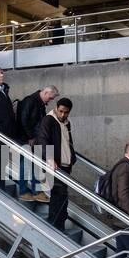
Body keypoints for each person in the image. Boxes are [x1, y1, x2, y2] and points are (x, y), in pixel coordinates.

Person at [33, 98, 76, 229]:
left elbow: (68, 142)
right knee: (59, 194)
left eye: (66, 112)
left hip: (65, 165)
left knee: (61, 195)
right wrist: (50, 159)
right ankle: (56, 226)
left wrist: (72, 158)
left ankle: (59, 223)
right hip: (54, 165)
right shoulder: (49, 120)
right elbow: (42, 139)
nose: (63, 114)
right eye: (61, 111)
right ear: (56, 108)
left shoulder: (66, 123)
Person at [15, 85, 59, 203]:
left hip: (34, 139)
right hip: (26, 139)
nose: (49, 101)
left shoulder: (38, 103)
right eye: (50, 98)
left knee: (36, 165)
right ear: (45, 93)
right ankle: (24, 192)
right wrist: (30, 137)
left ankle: (36, 191)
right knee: (25, 164)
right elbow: (22, 120)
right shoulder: (30, 101)